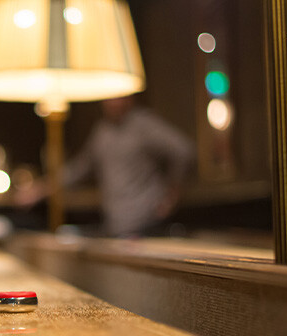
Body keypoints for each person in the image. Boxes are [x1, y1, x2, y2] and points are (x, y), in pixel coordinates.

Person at [57, 95, 195, 237]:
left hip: (147, 224)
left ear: (129, 98)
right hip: (116, 223)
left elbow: (183, 150)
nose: (112, 102)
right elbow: (80, 167)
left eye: (117, 97)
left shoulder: (143, 124)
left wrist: (172, 196)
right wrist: (44, 187)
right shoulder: (102, 131)